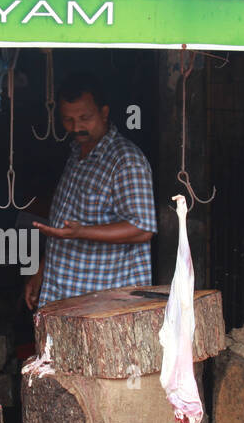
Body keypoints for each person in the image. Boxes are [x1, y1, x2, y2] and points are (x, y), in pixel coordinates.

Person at [25, 71, 156, 309]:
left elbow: (142, 229)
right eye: (68, 120)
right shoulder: (77, 153)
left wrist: (82, 232)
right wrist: (41, 271)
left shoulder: (125, 161)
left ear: (104, 113)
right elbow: (62, 229)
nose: (77, 127)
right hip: (61, 292)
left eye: (85, 118)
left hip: (101, 304)